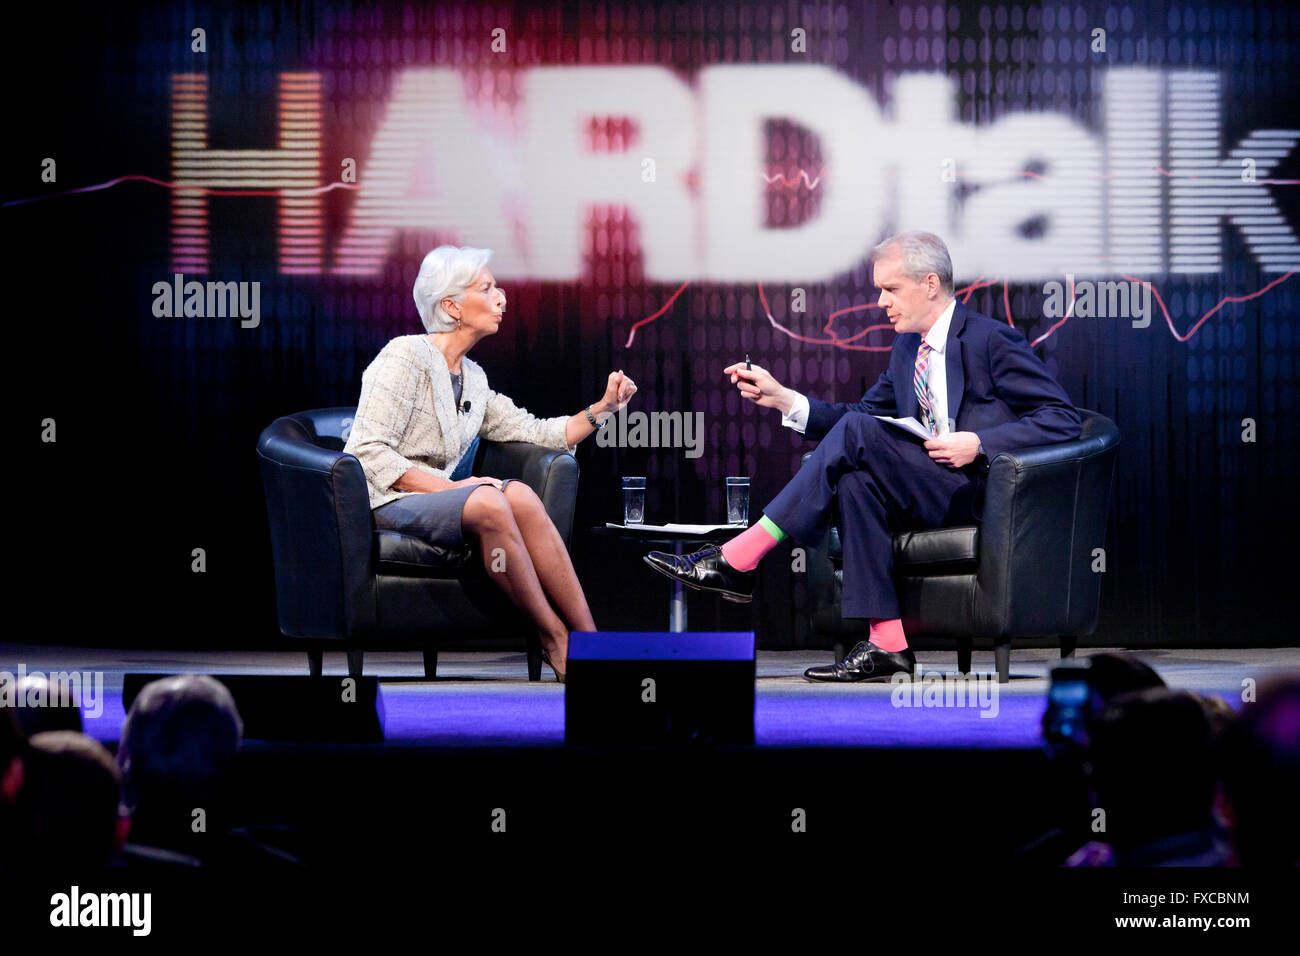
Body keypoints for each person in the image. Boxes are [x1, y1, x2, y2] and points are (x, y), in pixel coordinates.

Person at [644, 231, 1081, 681]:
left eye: (890, 289)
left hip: (976, 489)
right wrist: (784, 400)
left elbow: (1062, 417)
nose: (880, 302)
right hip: (925, 485)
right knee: (855, 481)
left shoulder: (991, 340)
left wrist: (980, 443)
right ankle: (888, 643)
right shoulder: (907, 348)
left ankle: (742, 556)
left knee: (856, 438)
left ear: (930, 284)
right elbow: (861, 416)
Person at [345, 246, 637, 681]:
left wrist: (604, 408)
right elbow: (368, 453)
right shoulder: (403, 357)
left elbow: (538, 433)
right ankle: (554, 639)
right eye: (487, 288)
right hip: (384, 498)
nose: (501, 297)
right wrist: (459, 491)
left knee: (517, 493)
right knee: (488, 501)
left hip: (437, 503)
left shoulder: (474, 379)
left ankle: (591, 643)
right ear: (452, 306)